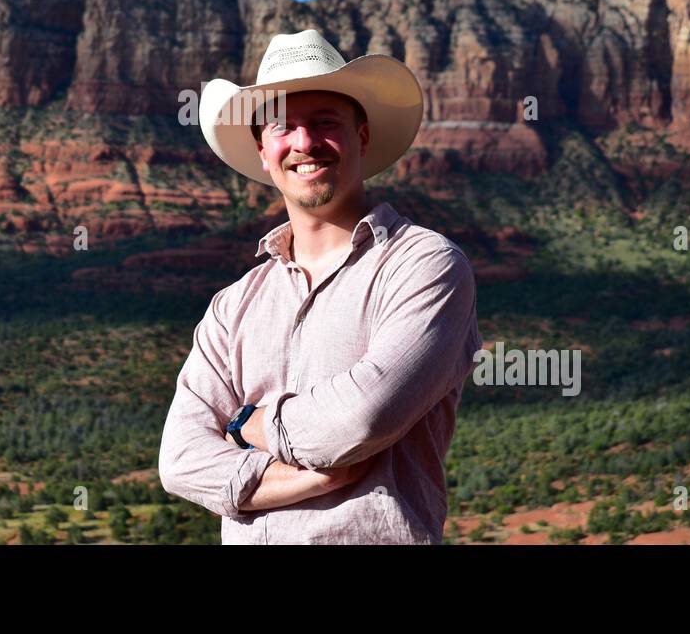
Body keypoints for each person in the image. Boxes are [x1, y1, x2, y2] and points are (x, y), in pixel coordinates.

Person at [158, 28, 482, 543]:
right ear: (263, 151)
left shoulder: (424, 265)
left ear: (363, 136)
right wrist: (301, 479)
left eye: (324, 122)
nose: (304, 142)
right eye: (283, 128)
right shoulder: (233, 305)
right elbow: (179, 458)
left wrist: (247, 425)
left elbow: (363, 416)